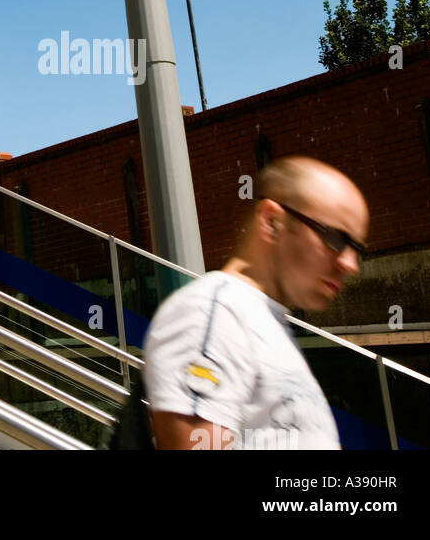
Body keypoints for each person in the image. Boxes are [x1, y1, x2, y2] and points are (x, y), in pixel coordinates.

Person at [142, 155, 368, 450]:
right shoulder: (212, 313)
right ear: (272, 221)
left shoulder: (262, 320)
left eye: (357, 248)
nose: (350, 264)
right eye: (336, 238)